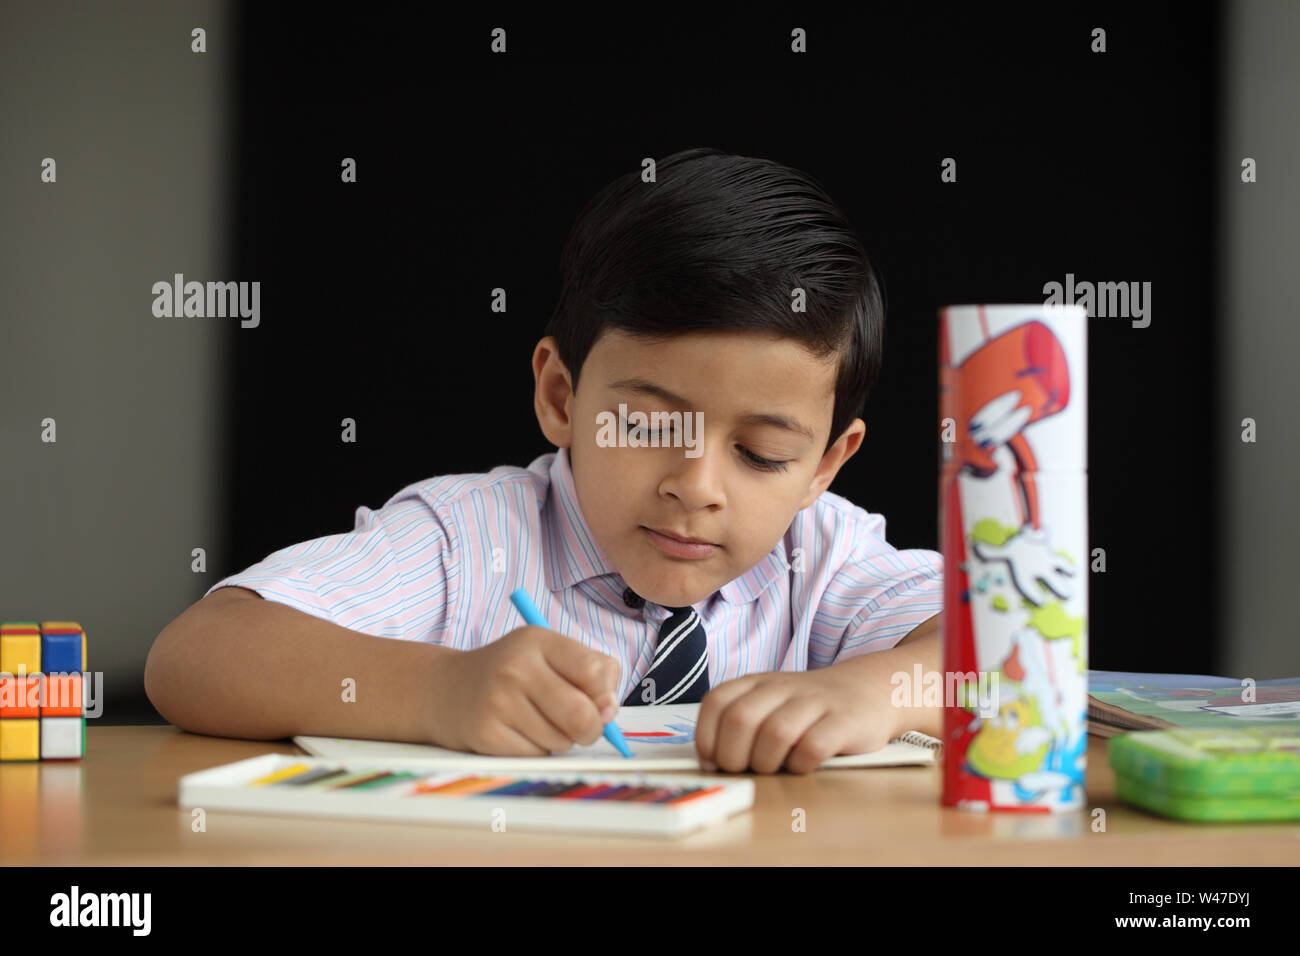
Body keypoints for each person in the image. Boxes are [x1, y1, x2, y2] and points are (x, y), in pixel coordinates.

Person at [145, 147, 944, 774]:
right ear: (561, 397)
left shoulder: (825, 557)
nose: (696, 486)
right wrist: (437, 692)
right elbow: (195, 657)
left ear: (825, 465)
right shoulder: (469, 541)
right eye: (647, 426)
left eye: (761, 455)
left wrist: (874, 693)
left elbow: (1014, 653)